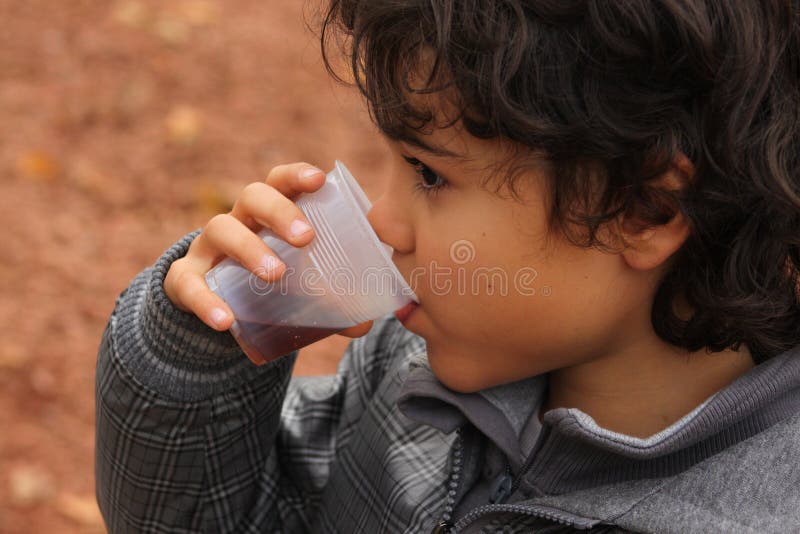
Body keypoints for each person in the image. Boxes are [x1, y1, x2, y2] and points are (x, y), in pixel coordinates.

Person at [94, 1, 800, 532]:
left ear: (643, 210)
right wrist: (199, 347)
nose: (382, 223)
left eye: (428, 175)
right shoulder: (410, 369)